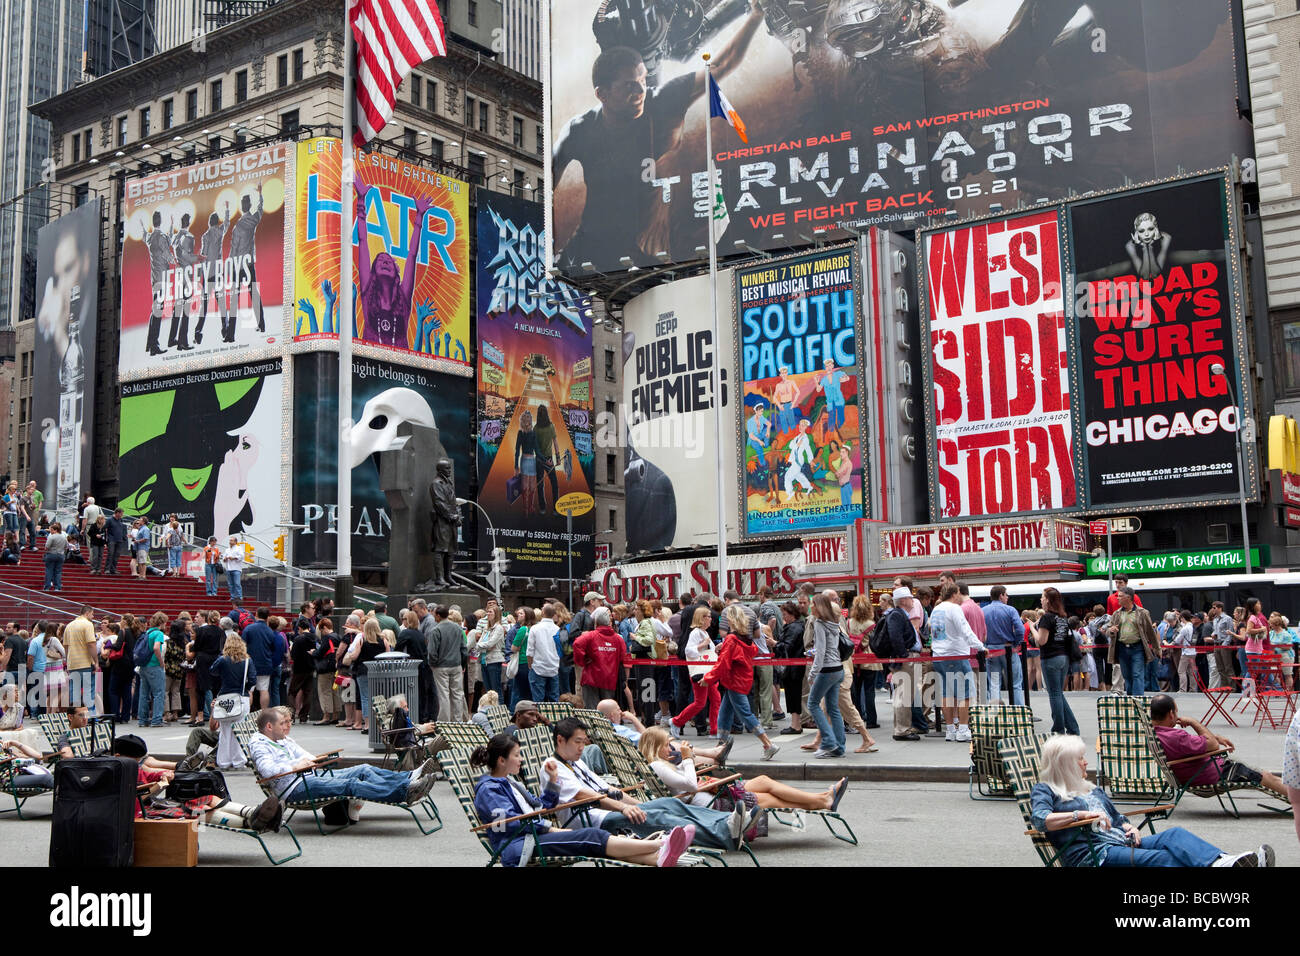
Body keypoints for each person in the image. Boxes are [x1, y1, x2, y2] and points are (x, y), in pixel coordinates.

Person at [1030, 735, 1272, 867]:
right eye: (1080, 759)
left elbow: (1117, 819)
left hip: (1121, 843)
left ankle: (1225, 863)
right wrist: (1081, 815)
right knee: (1166, 859)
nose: (1085, 763)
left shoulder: (1091, 789)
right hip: (1096, 855)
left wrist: (1128, 826)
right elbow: (1040, 820)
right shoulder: (1046, 789)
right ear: (1065, 764)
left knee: (1174, 835)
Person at [470, 734, 694, 867]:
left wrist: (553, 781)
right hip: (519, 847)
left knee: (593, 838)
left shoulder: (510, 783)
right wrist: (550, 830)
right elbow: (504, 825)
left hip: (534, 836)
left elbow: (542, 808)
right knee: (591, 836)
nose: (521, 759)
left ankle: (658, 858)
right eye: (517, 755)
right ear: (501, 760)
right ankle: (659, 844)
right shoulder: (488, 790)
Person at [548, 717, 756, 851]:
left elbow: (611, 790)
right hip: (591, 821)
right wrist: (627, 807)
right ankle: (724, 832)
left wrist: (635, 804)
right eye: (578, 742)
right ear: (560, 740)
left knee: (669, 803)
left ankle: (729, 820)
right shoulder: (553, 766)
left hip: (608, 811)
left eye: (584, 742)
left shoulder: (576, 763)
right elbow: (586, 796)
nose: (582, 747)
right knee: (657, 816)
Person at [249, 707, 437, 807]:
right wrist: (296, 764)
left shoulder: (282, 738)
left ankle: (408, 777)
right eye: (282, 723)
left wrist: (312, 760)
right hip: (294, 788)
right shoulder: (259, 745)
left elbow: (303, 754)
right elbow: (268, 770)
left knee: (362, 769)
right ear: (269, 727)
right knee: (351, 785)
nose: (286, 727)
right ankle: (404, 792)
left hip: (307, 777)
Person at [642, 726, 848, 813]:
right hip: (712, 803)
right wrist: (686, 760)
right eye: (666, 744)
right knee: (770, 799)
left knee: (765, 781)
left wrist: (688, 758)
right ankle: (823, 801)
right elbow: (690, 786)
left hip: (712, 792)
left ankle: (822, 797)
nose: (670, 748)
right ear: (655, 748)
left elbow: (688, 780)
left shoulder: (662, 763)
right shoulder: (657, 765)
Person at [1148, 694, 1288, 795]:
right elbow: (1213, 746)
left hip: (1197, 773)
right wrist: (1193, 722)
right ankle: (1296, 798)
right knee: (1266, 777)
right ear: (1171, 714)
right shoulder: (1176, 736)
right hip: (1212, 774)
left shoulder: (1156, 733)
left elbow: (1192, 744)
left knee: (1260, 774)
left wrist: (1214, 737)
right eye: (1176, 711)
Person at [702, 607, 781, 760]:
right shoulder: (744, 637)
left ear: (730, 619)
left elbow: (723, 663)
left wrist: (708, 678)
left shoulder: (731, 639)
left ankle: (768, 744)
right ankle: (721, 746)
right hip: (741, 679)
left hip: (734, 681)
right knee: (724, 714)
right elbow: (751, 652)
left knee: (745, 714)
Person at [929, 583, 987, 742]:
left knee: (946, 694)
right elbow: (965, 630)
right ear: (955, 593)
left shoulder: (936, 609)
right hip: (956, 655)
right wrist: (980, 647)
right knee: (965, 694)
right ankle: (962, 729)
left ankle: (950, 730)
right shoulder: (954, 608)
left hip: (939, 655)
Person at [671, 606, 721, 738]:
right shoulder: (696, 633)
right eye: (708, 616)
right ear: (702, 618)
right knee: (700, 703)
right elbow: (689, 651)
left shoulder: (703, 633)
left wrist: (714, 648)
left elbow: (705, 652)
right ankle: (676, 721)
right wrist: (703, 645)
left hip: (706, 672)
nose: (711, 619)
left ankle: (714, 730)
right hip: (701, 672)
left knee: (715, 699)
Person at [1036, 588, 1080, 736]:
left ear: (1048, 600)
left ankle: (1058, 729)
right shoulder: (1062, 617)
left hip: (1050, 657)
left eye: (1042, 597)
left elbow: (1041, 640)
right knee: (1058, 693)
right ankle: (1073, 728)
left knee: (1054, 694)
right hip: (1064, 657)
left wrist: (1032, 628)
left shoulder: (1047, 618)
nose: (1041, 600)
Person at [1106, 587, 1159, 697]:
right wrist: (1111, 631)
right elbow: (1108, 630)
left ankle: (1137, 700)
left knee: (1137, 674)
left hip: (1137, 648)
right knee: (1127, 676)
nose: (1118, 599)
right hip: (1121, 648)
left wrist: (1157, 648)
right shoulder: (1117, 614)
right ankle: (1131, 699)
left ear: (1128, 598)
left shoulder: (1142, 613)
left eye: (1120, 596)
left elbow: (1150, 631)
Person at [572, 606, 627, 709]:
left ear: (596, 622)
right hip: (609, 679)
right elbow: (623, 656)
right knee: (607, 711)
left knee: (593, 712)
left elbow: (576, 644)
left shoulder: (590, 636)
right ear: (609, 622)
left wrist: (582, 661)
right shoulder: (618, 639)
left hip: (591, 678)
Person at [983, 585, 1025, 705]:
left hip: (991, 650)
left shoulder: (984, 611)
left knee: (994, 683)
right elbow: (1020, 629)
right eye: (1006, 595)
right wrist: (1016, 643)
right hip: (1008, 649)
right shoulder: (1010, 610)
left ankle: (996, 712)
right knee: (1015, 683)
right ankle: (1018, 711)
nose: (1007, 597)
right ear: (1001, 595)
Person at [430, 604, 468, 720]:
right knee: (457, 694)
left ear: (437, 615)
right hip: (456, 665)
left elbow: (432, 652)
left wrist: (433, 664)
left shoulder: (436, 630)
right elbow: (464, 649)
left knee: (444, 695)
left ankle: (445, 722)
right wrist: (462, 663)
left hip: (441, 666)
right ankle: (458, 721)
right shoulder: (457, 628)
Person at [136, 612, 168, 728]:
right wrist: (161, 662)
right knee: (159, 693)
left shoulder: (148, 632)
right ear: (162, 623)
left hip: (144, 666)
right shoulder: (158, 633)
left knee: (144, 694)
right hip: (154, 666)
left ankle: (142, 720)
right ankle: (156, 719)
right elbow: (156, 648)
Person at [470, 602, 507, 700]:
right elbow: (483, 642)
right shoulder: (486, 628)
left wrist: (479, 646)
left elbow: (490, 644)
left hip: (494, 661)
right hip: (484, 660)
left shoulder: (498, 628)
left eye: (490, 612)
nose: (488, 614)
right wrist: (482, 646)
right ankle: (490, 711)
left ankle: (499, 711)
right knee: (488, 690)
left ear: (496, 614)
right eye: (487, 612)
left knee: (495, 689)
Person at [526, 603, 561, 703]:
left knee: (538, 700)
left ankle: (538, 718)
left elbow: (530, 650)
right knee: (554, 700)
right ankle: (555, 718)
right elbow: (560, 649)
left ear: (543, 612)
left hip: (538, 667)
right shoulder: (557, 629)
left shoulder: (535, 628)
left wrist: (530, 665)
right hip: (553, 667)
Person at [42, 521, 67, 592]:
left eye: (52, 530)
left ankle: (47, 587)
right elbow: (66, 547)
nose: (51, 531)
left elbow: (46, 547)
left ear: (55, 530)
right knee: (58, 571)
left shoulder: (51, 537)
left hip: (51, 554)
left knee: (49, 570)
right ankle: (57, 587)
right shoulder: (63, 537)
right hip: (60, 555)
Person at [222, 535, 245, 602]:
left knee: (237, 583)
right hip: (229, 568)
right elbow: (223, 558)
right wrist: (225, 558)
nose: (230, 542)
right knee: (230, 584)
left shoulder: (239, 548)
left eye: (231, 540)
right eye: (230, 540)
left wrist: (234, 558)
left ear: (235, 542)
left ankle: (239, 597)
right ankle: (233, 597)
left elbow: (241, 556)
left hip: (236, 568)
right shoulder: (227, 550)